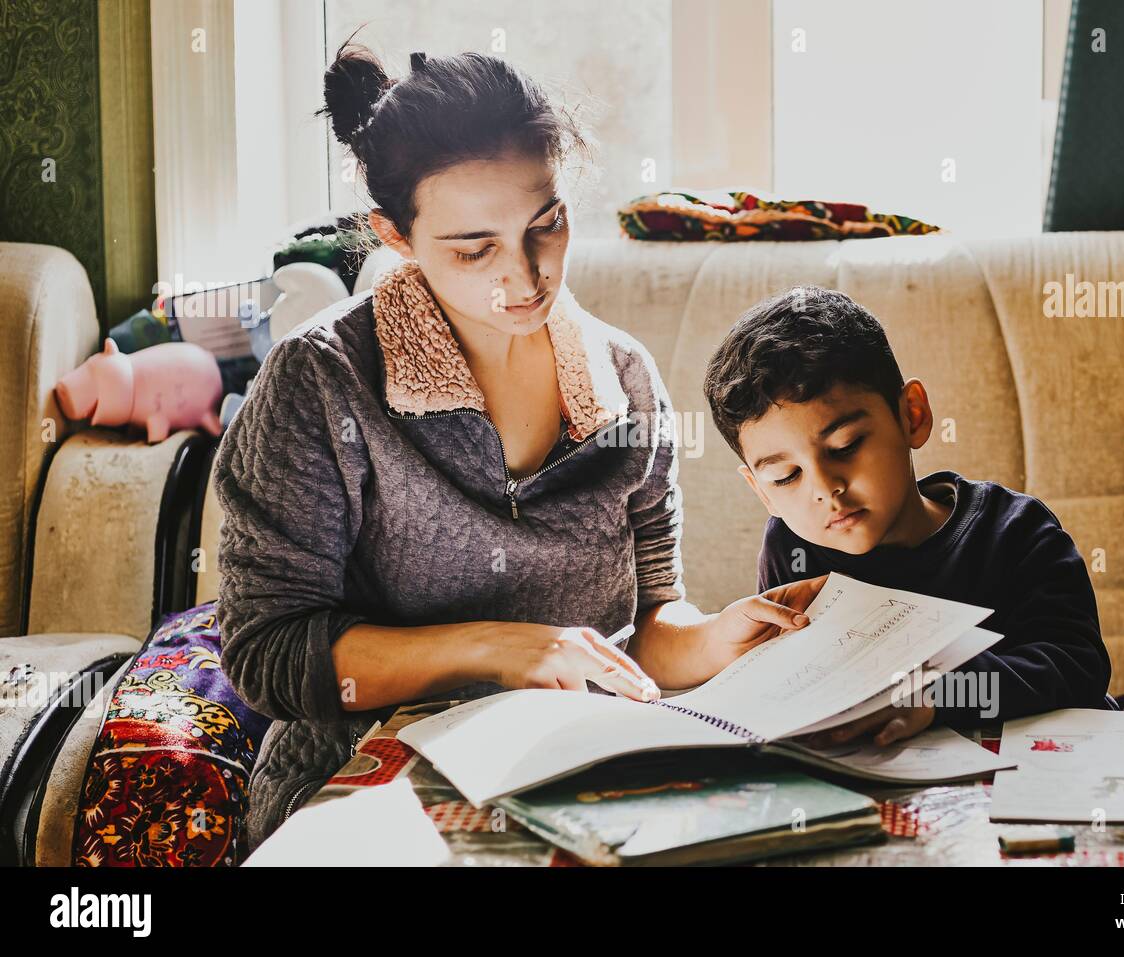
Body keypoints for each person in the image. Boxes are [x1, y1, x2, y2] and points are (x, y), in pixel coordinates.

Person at [215, 42, 821, 851]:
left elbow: (647, 625)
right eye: (475, 249)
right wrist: (500, 648)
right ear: (395, 234)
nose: (528, 276)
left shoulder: (627, 381)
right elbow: (267, 651)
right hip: (363, 779)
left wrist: (720, 636)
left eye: (547, 224)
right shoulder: (321, 383)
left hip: (579, 773)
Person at [702, 284, 1116, 749]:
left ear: (911, 416)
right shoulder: (791, 547)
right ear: (761, 491)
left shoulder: (1014, 530)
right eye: (785, 476)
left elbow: (1078, 666)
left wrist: (937, 694)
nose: (825, 489)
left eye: (846, 447)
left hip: (1047, 766)